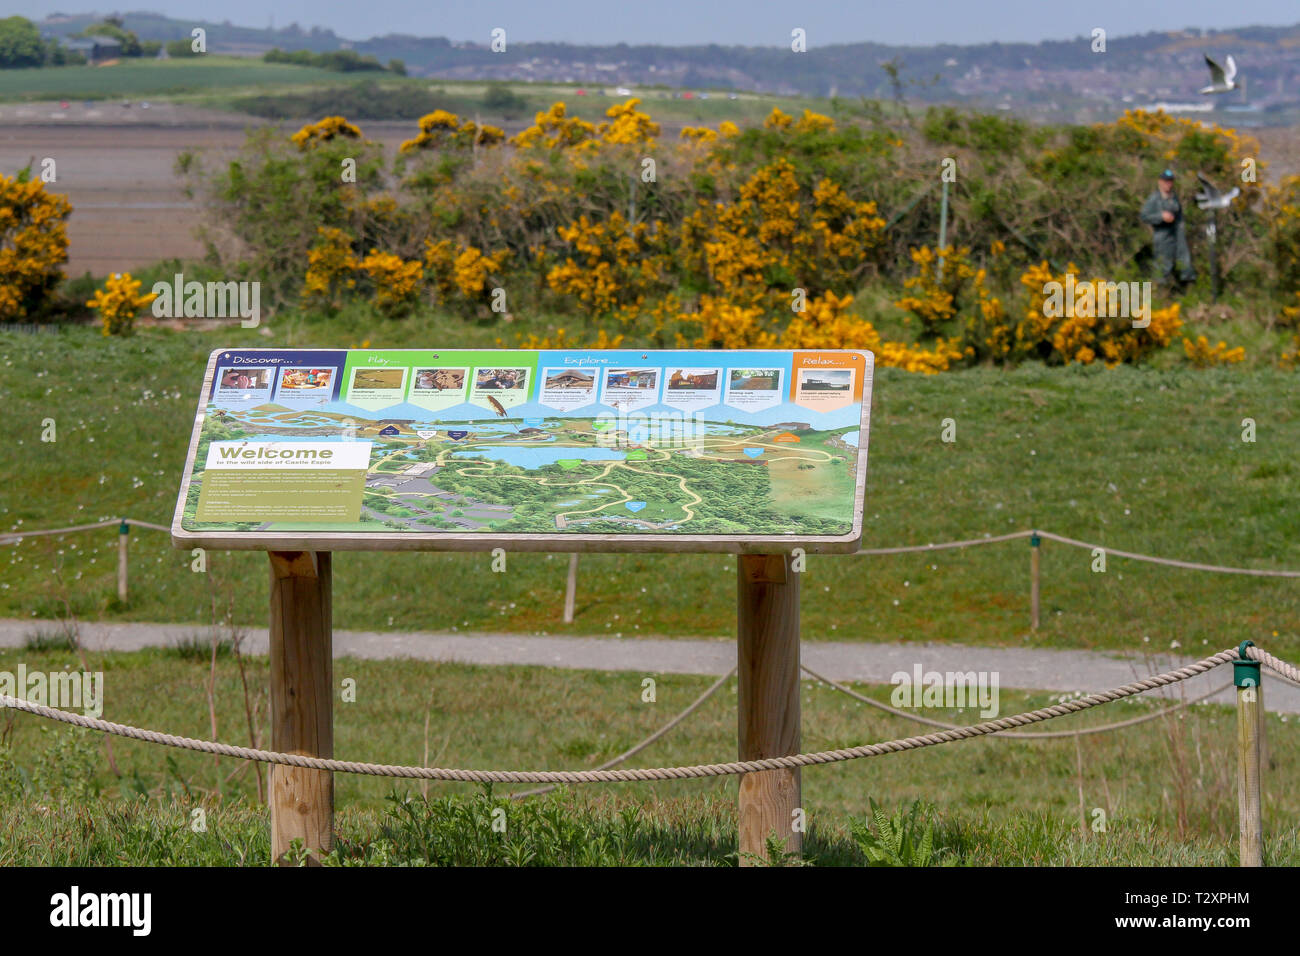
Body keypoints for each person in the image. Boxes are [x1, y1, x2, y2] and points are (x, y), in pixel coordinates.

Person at [1140, 169, 1196, 288]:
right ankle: (1160, 293)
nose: (1168, 184)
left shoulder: (1174, 197)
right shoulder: (1154, 198)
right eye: (1166, 181)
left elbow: (1179, 214)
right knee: (1162, 264)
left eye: (1170, 181)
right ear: (1160, 182)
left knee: (1184, 261)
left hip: (1177, 234)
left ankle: (1189, 291)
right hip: (1162, 235)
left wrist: (1181, 227)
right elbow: (1144, 216)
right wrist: (1161, 216)